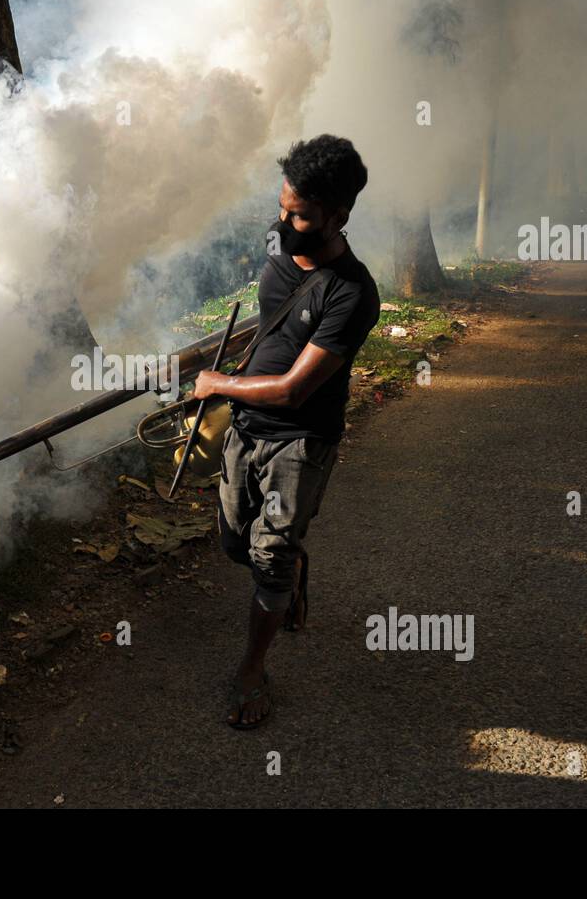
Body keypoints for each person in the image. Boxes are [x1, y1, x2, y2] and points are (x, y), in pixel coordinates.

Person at [193, 134, 380, 728]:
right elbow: (272, 335)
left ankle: (251, 669)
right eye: (282, 207)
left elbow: (295, 390)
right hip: (244, 431)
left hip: (300, 441)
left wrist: (217, 383)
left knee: (268, 554)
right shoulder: (277, 255)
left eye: (299, 214)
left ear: (338, 216)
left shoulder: (352, 293)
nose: (284, 222)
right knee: (232, 543)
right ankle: (289, 571)